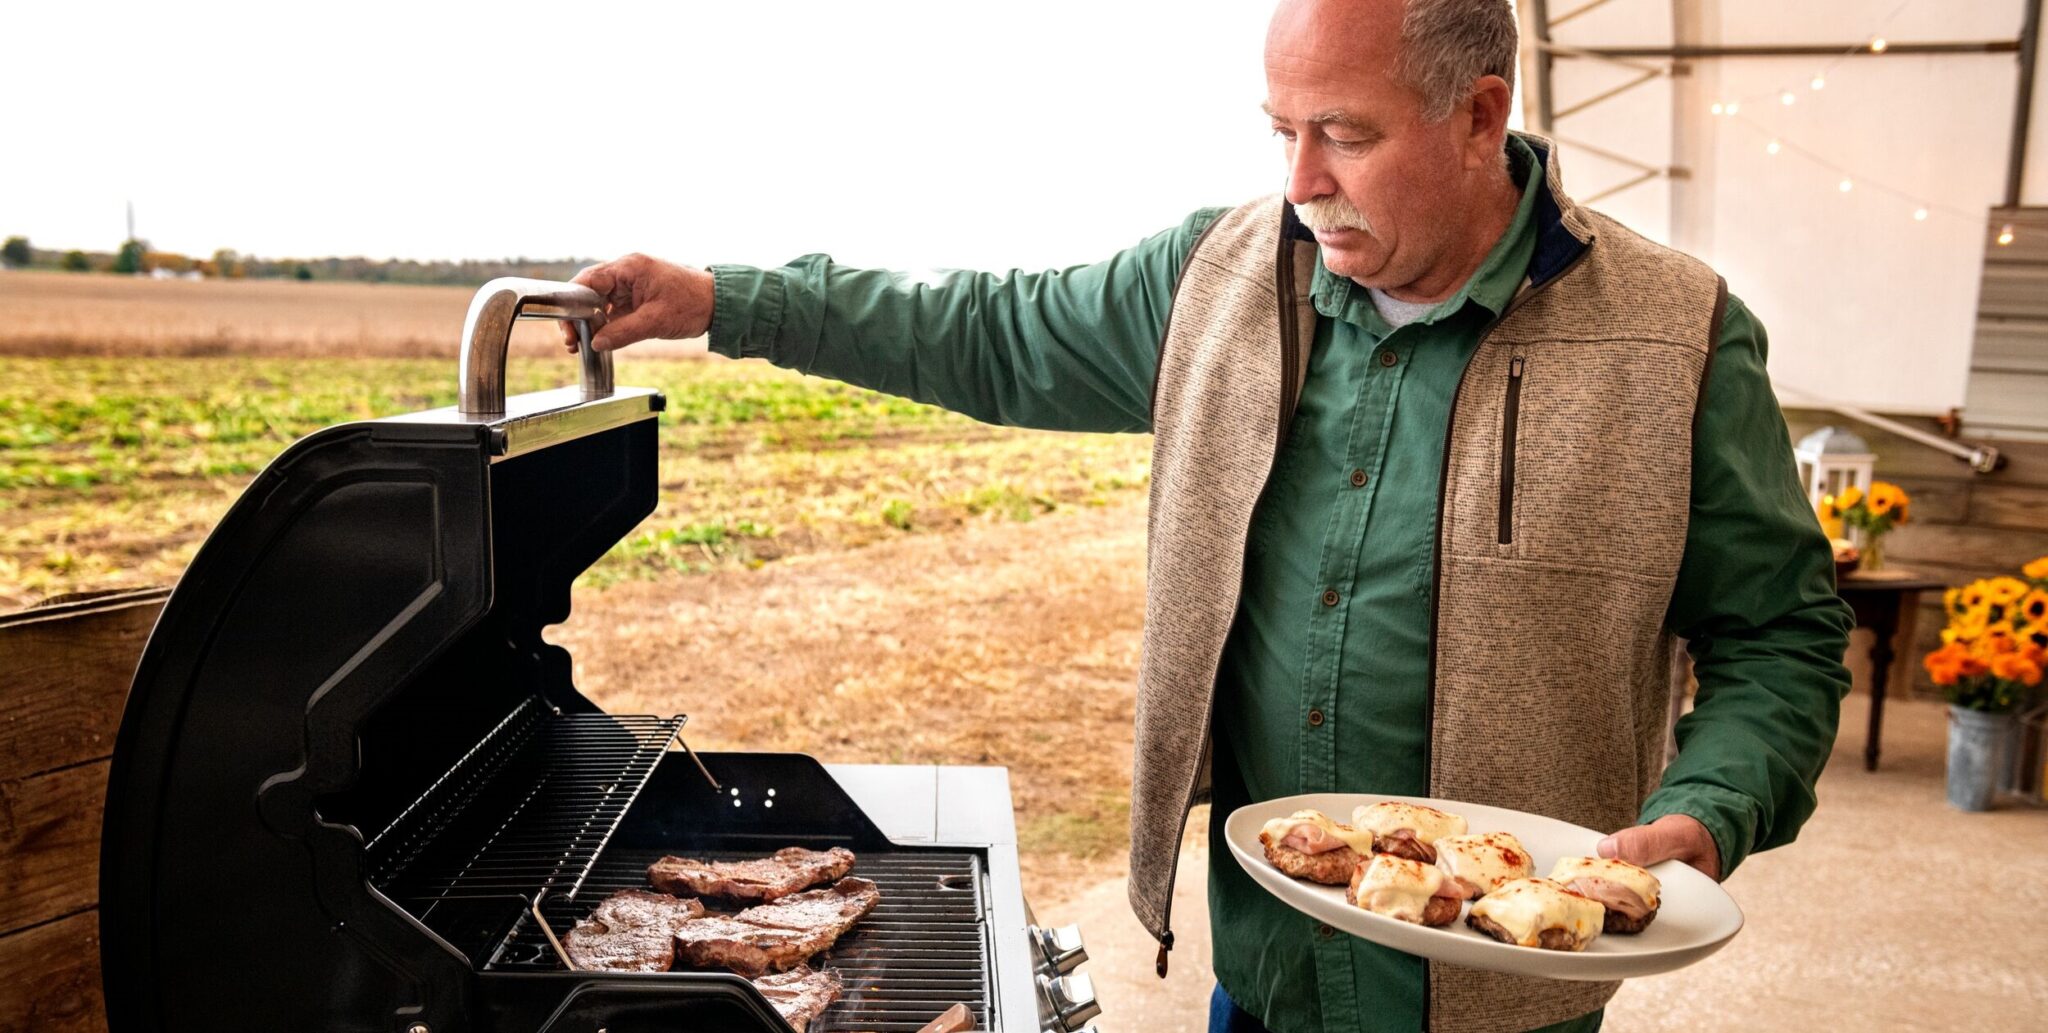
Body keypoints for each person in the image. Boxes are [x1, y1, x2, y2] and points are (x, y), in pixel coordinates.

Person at [565, 1, 1852, 1030]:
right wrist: (728, 301)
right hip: (1270, 963)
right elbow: (984, 328)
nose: (1300, 179)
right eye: (1280, 129)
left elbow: (1780, 636)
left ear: (1478, 115)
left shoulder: (1671, 332)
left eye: (1343, 133)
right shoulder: (1214, 276)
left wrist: (1706, 811)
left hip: (1504, 988)